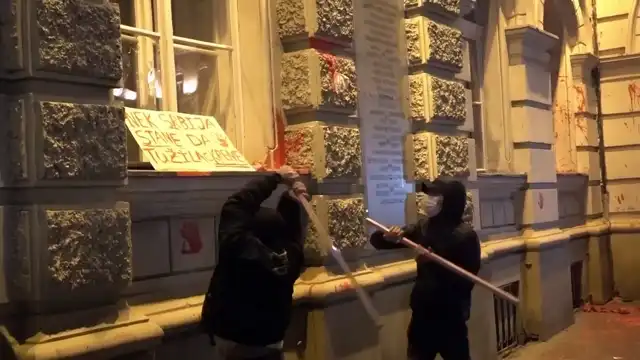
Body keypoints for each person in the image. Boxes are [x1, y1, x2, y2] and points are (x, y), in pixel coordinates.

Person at [200, 166, 309, 360]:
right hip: (271, 341)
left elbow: (236, 206)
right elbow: (291, 231)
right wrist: (291, 200)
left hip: (235, 340)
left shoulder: (242, 251)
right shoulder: (292, 256)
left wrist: (275, 177)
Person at [369, 178, 481, 360]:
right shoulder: (423, 228)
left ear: (449, 201)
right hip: (422, 318)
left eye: (435, 195)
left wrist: (434, 261)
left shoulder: (465, 236)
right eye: (429, 194)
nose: (428, 198)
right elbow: (377, 242)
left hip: (451, 320)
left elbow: (467, 281)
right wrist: (387, 237)